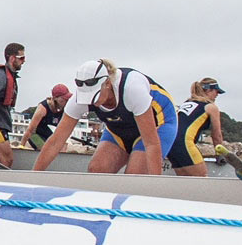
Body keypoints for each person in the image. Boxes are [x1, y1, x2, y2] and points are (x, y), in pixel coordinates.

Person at [32, 59, 178, 175]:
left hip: (159, 123)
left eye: (94, 96)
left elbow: (151, 144)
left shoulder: (132, 89)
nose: (91, 102)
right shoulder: (77, 99)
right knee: (97, 170)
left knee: (136, 176)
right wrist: (33, 178)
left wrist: (153, 186)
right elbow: (56, 141)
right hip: (119, 129)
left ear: (107, 84)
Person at [164, 77, 229, 176]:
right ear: (208, 90)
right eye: (216, 92)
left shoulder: (187, 103)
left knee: (185, 183)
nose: (217, 95)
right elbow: (216, 135)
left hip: (170, 144)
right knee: (201, 180)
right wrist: (220, 153)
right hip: (184, 144)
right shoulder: (211, 107)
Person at [18, 84, 69, 155]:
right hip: (34, 134)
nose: (66, 101)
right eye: (63, 99)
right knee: (46, 150)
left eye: (67, 99)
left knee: (61, 145)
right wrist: (21, 145)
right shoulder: (43, 108)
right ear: (55, 98)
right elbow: (30, 129)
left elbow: (63, 132)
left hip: (47, 132)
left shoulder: (65, 108)